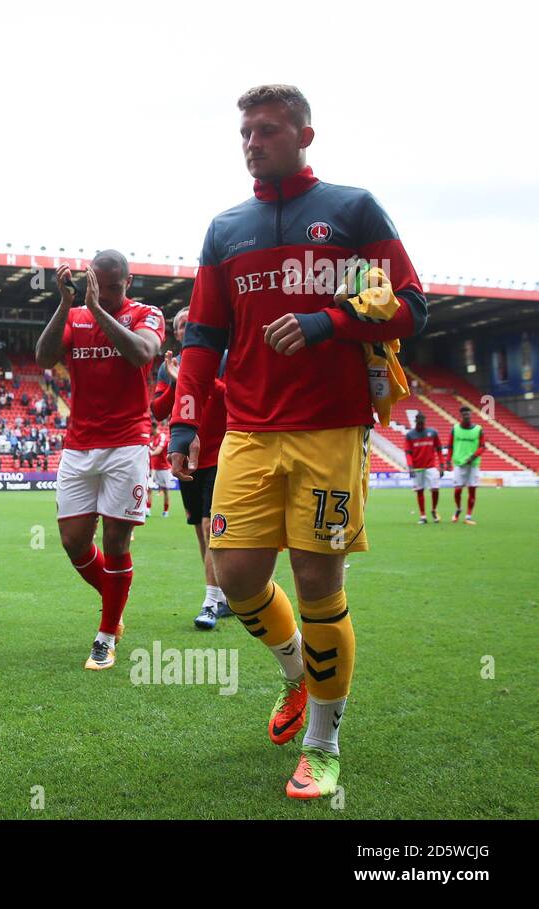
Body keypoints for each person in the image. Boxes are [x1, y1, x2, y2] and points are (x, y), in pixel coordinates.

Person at [168, 84, 427, 799]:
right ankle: (296, 676)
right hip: (247, 427)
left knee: (318, 581)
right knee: (238, 574)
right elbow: (202, 335)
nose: (253, 141)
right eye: (246, 131)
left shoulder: (351, 211)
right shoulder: (226, 229)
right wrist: (185, 421)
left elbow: (411, 305)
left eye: (268, 130)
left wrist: (330, 321)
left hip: (331, 428)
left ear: (305, 135)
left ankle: (323, 741)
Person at [35, 250, 164, 670]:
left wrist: (97, 310)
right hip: (79, 444)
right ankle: (114, 602)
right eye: (100, 286)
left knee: (115, 541)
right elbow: (43, 357)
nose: (107, 294)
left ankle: (106, 635)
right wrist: (65, 304)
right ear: (90, 280)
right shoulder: (74, 316)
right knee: (73, 541)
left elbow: (142, 354)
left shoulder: (147, 313)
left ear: (127, 282)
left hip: (127, 442)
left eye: (114, 287)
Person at [152, 328, 230, 629]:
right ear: (177, 331)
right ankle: (220, 595)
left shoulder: (221, 358)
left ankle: (210, 603)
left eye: (190, 321)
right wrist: (176, 381)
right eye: (181, 324)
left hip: (219, 455)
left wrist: (196, 377)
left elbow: (232, 397)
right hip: (186, 458)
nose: (186, 328)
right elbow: (158, 410)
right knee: (201, 531)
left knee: (212, 527)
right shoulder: (168, 366)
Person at [404, 412, 445, 523]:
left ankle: (433, 510)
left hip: (431, 467)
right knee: (420, 491)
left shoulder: (432, 433)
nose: (421, 423)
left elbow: (439, 450)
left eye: (422, 421)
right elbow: (408, 453)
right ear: (416, 421)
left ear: (425, 421)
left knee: (435, 489)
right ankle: (423, 516)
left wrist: (442, 465)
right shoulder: (410, 435)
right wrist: (410, 467)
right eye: (419, 421)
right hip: (417, 468)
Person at [450, 406, 483, 524]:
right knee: (457, 490)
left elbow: (482, 446)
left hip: (473, 464)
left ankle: (468, 515)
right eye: (464, 415)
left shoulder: (478, 429)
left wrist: (473, 457)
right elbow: (450, 446)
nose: (467, 416)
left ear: (471, 415)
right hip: (459, 463)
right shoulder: (455, 429)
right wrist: (448, 461)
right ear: (461, 416)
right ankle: (458, 509)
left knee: (472, 490)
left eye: (468, 414)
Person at [147, 418, 171, 517]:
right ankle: (148, 509)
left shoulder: (162, 436)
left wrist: (149, 453)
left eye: (150, 428)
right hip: (153, 468)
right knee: (149, 488)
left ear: (154, 427)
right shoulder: (152, 438)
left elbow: (159, 450)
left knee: (165, 490)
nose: (149, 430)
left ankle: (166, 511)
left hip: (163, 468)